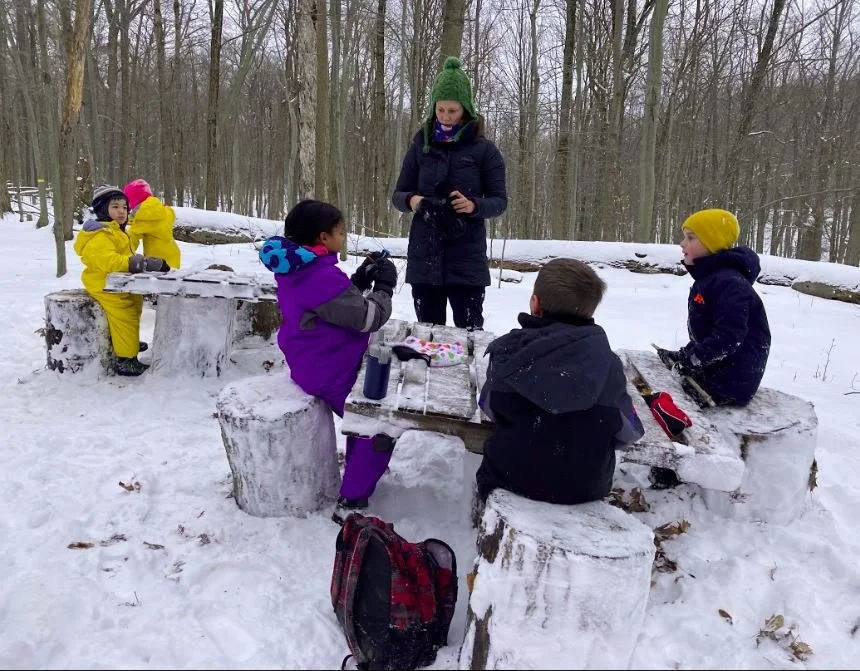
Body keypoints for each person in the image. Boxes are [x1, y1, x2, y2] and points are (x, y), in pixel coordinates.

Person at [258, 199, 399, 523]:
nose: (344, 236)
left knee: (371, 403)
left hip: (312, 357)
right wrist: (385, 287)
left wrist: (361, 280)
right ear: (323, 238)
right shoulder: (319, 277)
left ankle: (361, 469)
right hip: (330, 368)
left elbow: (331, 303)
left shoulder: (299, 266)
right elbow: (367, 318)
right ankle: (351, 501)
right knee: (374, 419)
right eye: (340, 231)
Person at [475, 258, 644, 505]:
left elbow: (489, 406)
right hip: (586, 489)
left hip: (508, 476)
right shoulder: (608, 365)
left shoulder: (508, 353)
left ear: (535, 304)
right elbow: (629, 431)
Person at [392, 56, 507, 330]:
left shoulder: (485, 151)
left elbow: (499, 201)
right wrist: (413, 201)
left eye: (452, 111)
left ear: (466, 109)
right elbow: (398, 195)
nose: (445, 116)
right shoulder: (420, 146)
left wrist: (473, 206)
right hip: (424, 257)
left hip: (466, 262)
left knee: (470, 336)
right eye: (440, 110)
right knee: (428, 334)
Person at [654, 209, 771, 407]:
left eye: (690, 238)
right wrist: (687, 355)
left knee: (664, 401)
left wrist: (692, 361)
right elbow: (710, 331)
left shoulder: (729, 283)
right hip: (715, 369)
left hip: (732, 381)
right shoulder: (711, 278)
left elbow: (729, 337)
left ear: (711, 243)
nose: (682, 244)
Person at [73, 185, 169, 376]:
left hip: (118, 281)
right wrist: (134, 263)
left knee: (135, 304)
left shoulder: (117, 231)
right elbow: (107, 261)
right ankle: (126, 359)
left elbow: (126, 253)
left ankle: (128, 341)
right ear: (102, 210)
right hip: (103, 283)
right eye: (115, 206)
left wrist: (148, 261)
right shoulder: (100, 234)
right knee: (125, 314)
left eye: (125, 207)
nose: (121, 211)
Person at [123, 179, 181, 269]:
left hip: (157, 261)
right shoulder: (162, 210)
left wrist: (121, 255)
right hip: (172, 256)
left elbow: (131, 241)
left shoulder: (144, 218)